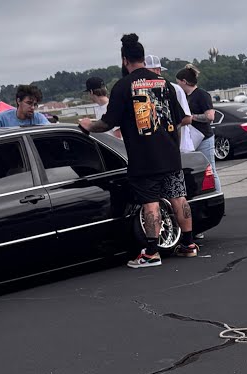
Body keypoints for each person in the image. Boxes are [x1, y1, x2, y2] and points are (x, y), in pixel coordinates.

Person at [79, 33, 199, 267]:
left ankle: (152, 252)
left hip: (144, 158)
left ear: (125, 60)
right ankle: (189, 244)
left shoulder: (123, 86)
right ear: (143, 58)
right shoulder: (163, 83)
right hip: (170, 153)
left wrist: (88, 126)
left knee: (150, 203)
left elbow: (108, 122)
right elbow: (178, 117)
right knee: (178, 197)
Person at [176, 64, 220, 244]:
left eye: (179, 83)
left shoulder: (201, 95)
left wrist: (192, 117)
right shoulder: (186, 97)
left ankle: (217, 197)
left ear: (184, 82)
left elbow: (210, 116)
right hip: (191, 138)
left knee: (210, 169)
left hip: (204, 137)